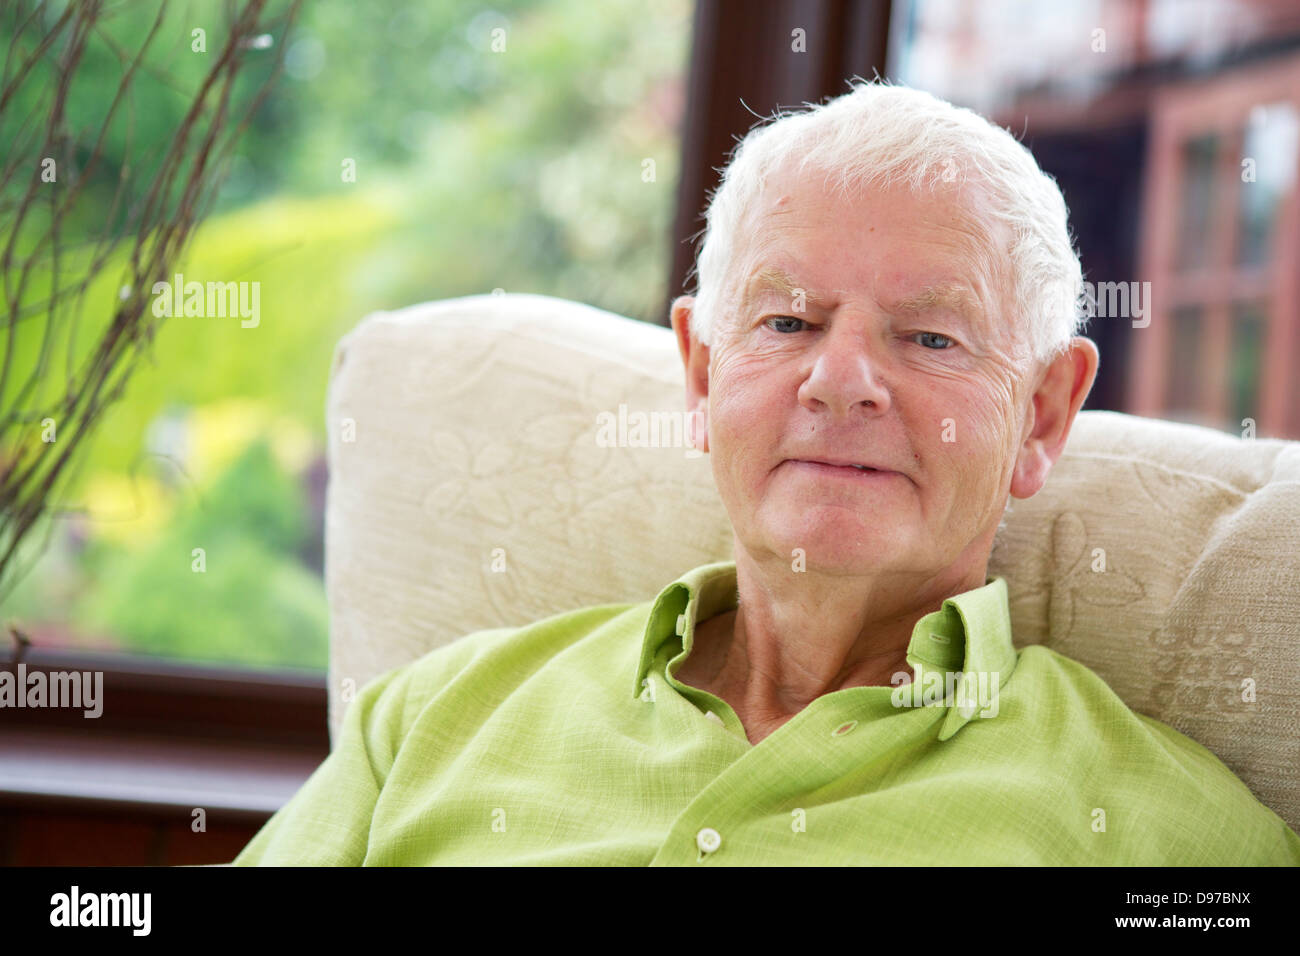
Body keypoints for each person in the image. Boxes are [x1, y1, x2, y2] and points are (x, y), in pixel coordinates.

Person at [234, 80, 1300, 865]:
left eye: (930, 338)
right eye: (786, 320)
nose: (842, 382)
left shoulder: (1166, 838)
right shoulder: (434, 717)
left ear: (1042, 412)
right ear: (700, 374)